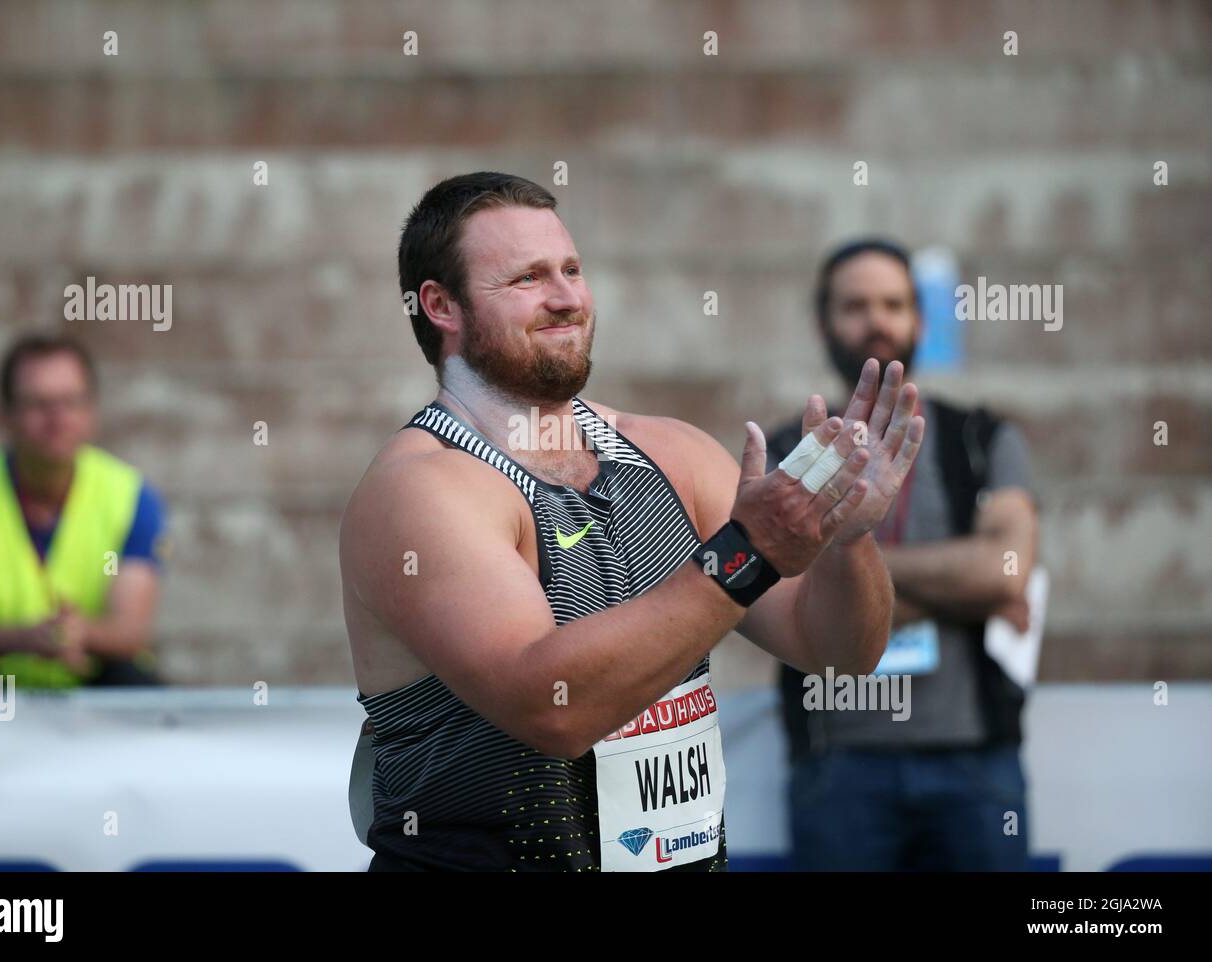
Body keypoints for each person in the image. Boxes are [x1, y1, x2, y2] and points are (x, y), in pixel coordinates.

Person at [339, 172, 926, 871]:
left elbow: (840, 654)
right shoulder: (424, 489)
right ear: (441, 305)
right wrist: (745, 552)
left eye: (572, 270)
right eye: (528, 279)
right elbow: (552, 709)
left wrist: (848, 541)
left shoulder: (669, 454)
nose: (567, 299)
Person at [767, 238, 1041, 871]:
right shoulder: (793, 447)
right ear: (823, 323)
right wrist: (953, 585)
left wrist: (845, 564)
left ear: (920, 319)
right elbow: (779, 581)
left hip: (974, 761)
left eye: (894, 303)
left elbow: (1003, 568)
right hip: (837, 766)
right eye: (855, 305)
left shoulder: (982, 439)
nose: (876, 321)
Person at [0, 334, 168, 688]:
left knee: (138, 685)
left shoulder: (132, 496)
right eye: (39, 404)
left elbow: (131, 630)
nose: (57, 418)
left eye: (70, 401)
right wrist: (31, 639)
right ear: (5, 415)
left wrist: (77, 635)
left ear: (92, 411)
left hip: (90, 676)